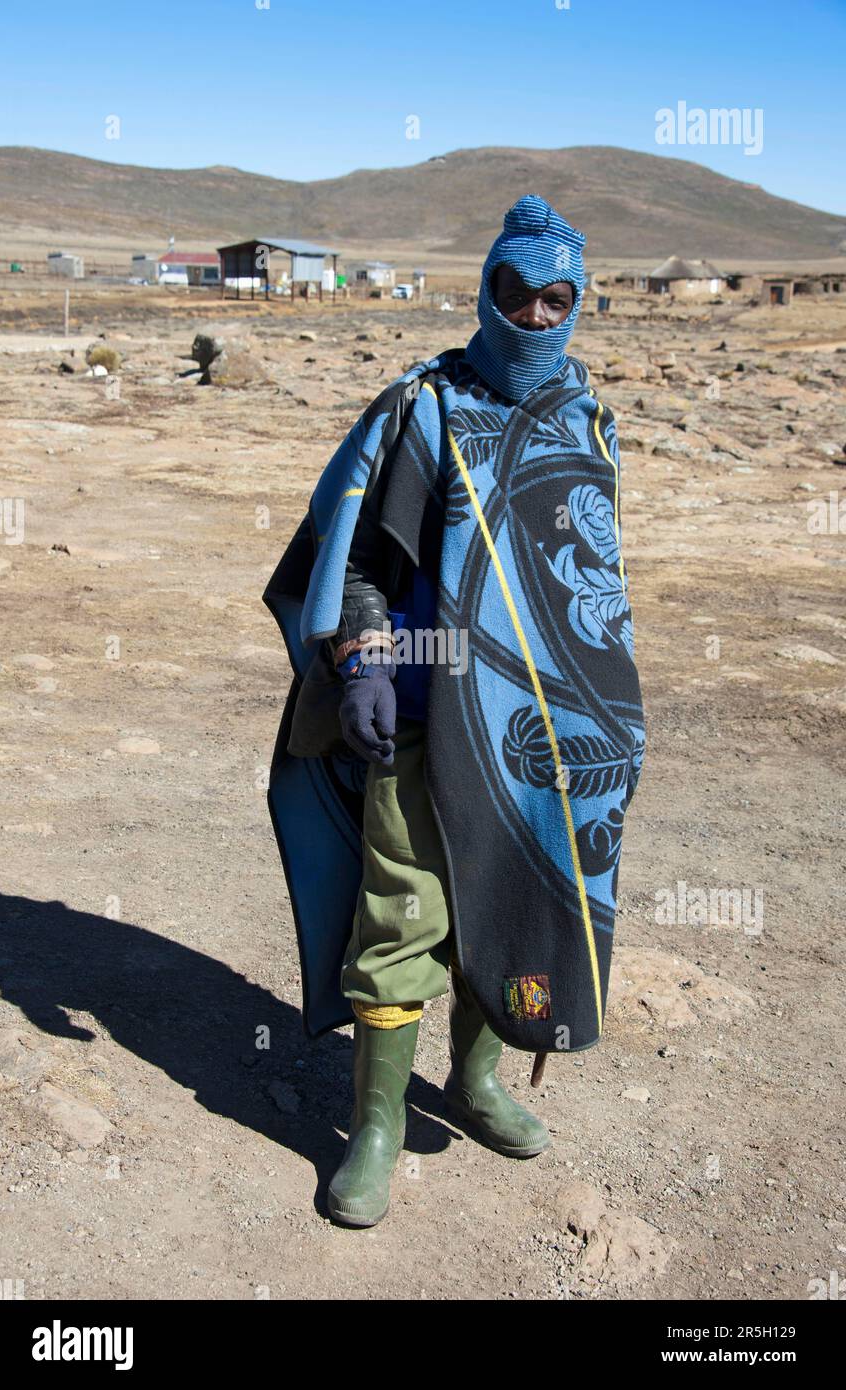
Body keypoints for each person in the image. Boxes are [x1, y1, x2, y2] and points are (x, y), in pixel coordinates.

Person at [264, 195, 645, 1228]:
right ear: (484, 288)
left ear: (578, 304)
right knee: (401, 918)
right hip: (428, 715)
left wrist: (609, 717)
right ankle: (375, 1129)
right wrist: (366, 665)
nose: (529, 314)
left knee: (508, 909)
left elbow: (590, 586)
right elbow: (360, 564)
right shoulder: (425, 409)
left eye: (552, 297)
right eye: (511, 292)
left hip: (542, 735)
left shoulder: (587, 421)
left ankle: (476, 1085)